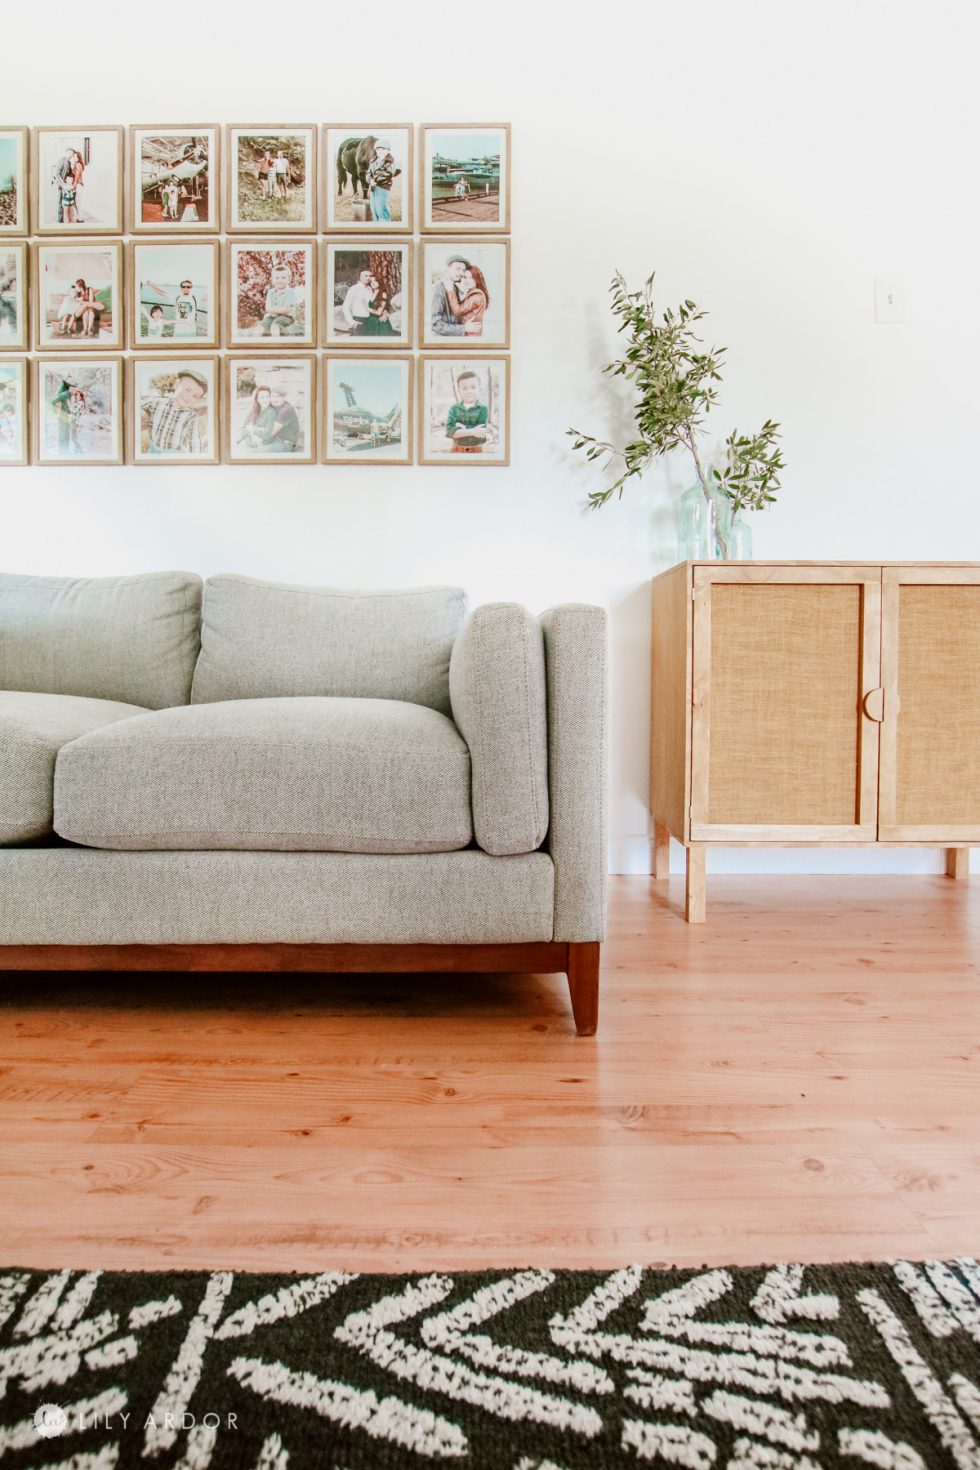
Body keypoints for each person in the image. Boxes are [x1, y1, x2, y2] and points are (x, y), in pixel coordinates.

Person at [140, 368, 208, 455]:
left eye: (195, 396)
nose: (189, 396)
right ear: (176, 384)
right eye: (187, 390)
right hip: (154, 452)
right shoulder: (155, 403)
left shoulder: (192, 417)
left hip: (175, 454)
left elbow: (195, 443)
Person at [444, 369, 489, 453]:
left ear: (479, 389)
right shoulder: (454, 409)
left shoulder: (483, 409)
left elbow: (481, 432)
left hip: (477, 449)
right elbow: (449, 431)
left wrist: (460, 429)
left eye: (473, 387)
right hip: (457, 449)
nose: (469, 391)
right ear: (459, 391)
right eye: (464, 388)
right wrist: (473, 431)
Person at [431, 255, 470, 337]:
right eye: (458, 269)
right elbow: (435, 324)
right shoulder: (439, 288)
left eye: (463, 270)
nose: (461, 273)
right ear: (448, 269)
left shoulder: (454, 288)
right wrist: (463, 329)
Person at [260, 263, 300, 336]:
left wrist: (272, 311)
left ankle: (278, 342)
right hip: (272, 316)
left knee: (275, 326)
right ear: (272, 280)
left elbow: (286, 310)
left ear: (289, 280)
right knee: (262, 327)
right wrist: (273, 311)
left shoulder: (290, 292)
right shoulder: (270, 292)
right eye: (277, 278)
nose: (280, 280)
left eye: (283, 278)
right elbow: (267, 308)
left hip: (286, 317)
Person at [366, 140, 400, 222]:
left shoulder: (389, 163)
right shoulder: (373, 161)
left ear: (388, 150)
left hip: (383, 188)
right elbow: (368, 173)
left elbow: (388, 174)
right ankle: (376, 227)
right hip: (373, 188)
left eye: (382, 149)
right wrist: (370, 180)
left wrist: (375, 181)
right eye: (377, 149)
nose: (379, 151)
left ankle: (385, 226)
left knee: (381, 208)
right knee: (373, 208)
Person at [454, 264, 490, 336]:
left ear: (477, 279)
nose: (467, 280)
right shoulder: (474, 293)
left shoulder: (477, 296)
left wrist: (450, 290)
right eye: (465, 277)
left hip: (471, 336)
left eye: (471, 277)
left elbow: (457, 311)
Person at [237, 385, 277, 450]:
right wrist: (252, 434)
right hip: (250, 441)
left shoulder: (271, 412)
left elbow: (267, 433)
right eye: (262, 397)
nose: (265, 400)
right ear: (257, 399)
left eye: (267, 397)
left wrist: (252, 429)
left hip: (263, 444)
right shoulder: (254, 409)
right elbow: (243, 426)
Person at [341, 268, 374, 335]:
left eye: (370, 276)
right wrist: (352, 322)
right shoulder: (354, 289)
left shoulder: (372, 289)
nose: (368, 278)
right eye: (365, 276)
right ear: (360, 277)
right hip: (359, 321)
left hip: (372, 322)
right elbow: (346, 307)